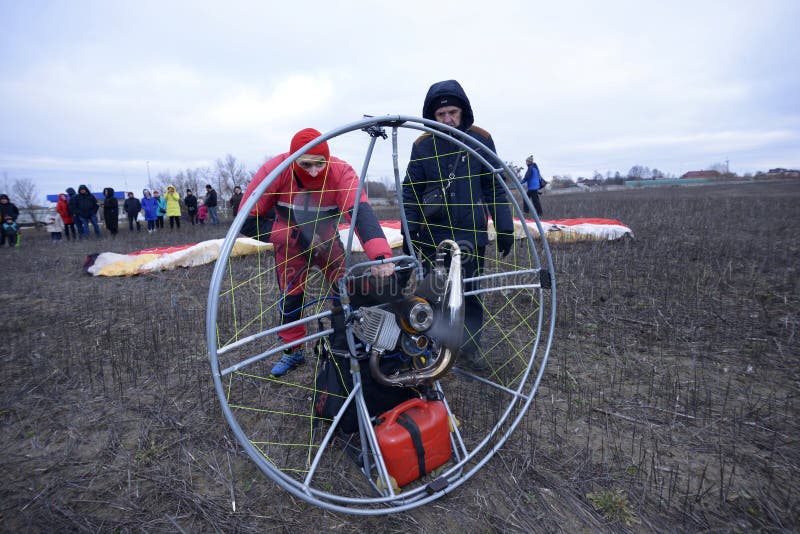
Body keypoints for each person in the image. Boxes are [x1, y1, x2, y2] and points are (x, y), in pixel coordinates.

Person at [240, 127, 395, 377]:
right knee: (291, 296)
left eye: (320, 164)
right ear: (293, 160)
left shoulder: (340, 172)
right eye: (306, 164)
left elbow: (361, 212)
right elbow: (247, 220)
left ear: (328, 159)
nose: (314, 171)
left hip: (327, 241)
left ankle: (340, 345)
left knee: (343, 289)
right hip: (291, 245)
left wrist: (380, 255)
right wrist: (298, 237)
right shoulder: (275, 171)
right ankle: (293, 351)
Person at [402, 79, 514, 372]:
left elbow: (494, 185)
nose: (448, 119)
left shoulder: (480, 138)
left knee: (470, 294)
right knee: (432, 292)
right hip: (432, 237)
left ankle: (470, 350)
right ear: (432, 116)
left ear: (463, 111)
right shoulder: (423, 145)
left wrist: (504, 226)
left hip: (471, 234)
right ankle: (433, 349)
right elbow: (410, 191)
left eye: (453, 112)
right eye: (441, 115)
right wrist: (409, 233)